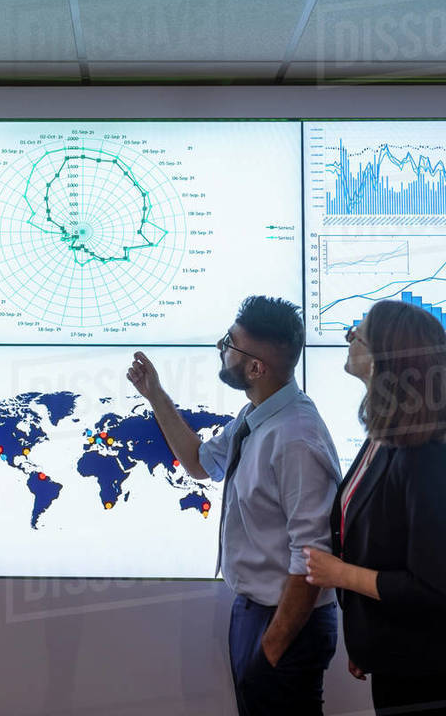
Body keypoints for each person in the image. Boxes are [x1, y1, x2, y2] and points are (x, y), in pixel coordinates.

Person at [128, 295, 341, 715]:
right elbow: (201, 463)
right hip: (255, 613)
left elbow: (313, 557)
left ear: (256, 367)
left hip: (286, 623)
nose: (223, 348)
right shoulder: (256, 416)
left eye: (230, 342)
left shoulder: (295, 438)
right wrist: (154, 395)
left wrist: (272, 648)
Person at [303, 299, 446, 716]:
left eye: (360, 333)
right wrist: (368, 639)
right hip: (399, 648)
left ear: (386, 360)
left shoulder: (429, 454)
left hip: (433, 657)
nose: (349, 338)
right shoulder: (387, 435)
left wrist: (340, 575)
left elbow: (435, 586)